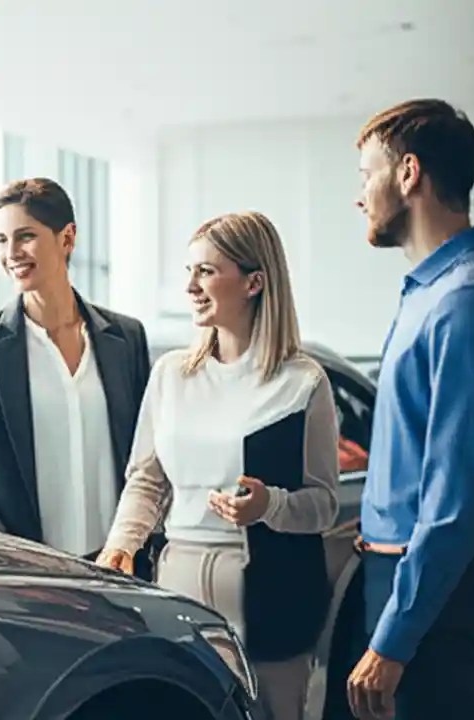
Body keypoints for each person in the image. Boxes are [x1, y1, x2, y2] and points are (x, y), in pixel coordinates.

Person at [99, 211, 339, 720]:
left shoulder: (302, 383)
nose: (190, 286)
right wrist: (122, 545)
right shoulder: (170, 376)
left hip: (270, 591)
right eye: (189, 271)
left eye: (206, 271)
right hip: (178, 580)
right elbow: (147, 480)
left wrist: (269, 505)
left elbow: (323, 506)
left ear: (254, 282)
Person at [345, 99, 474, 720]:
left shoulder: (470, 300)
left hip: (440, 590)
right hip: (411, 575)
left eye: (367, 174)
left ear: (409, 173)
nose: (359, 196)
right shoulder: (432, 291)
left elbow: (459, 497)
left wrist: (395, 638)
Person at [0, 177, 153, 568]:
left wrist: (137, 544)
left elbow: (149, 462)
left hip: (121, 568)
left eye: (25, 236)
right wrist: (11, 563)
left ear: (67, 238)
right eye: (1, 240)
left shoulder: (126, 339)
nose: (12, 253)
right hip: (28, 578)